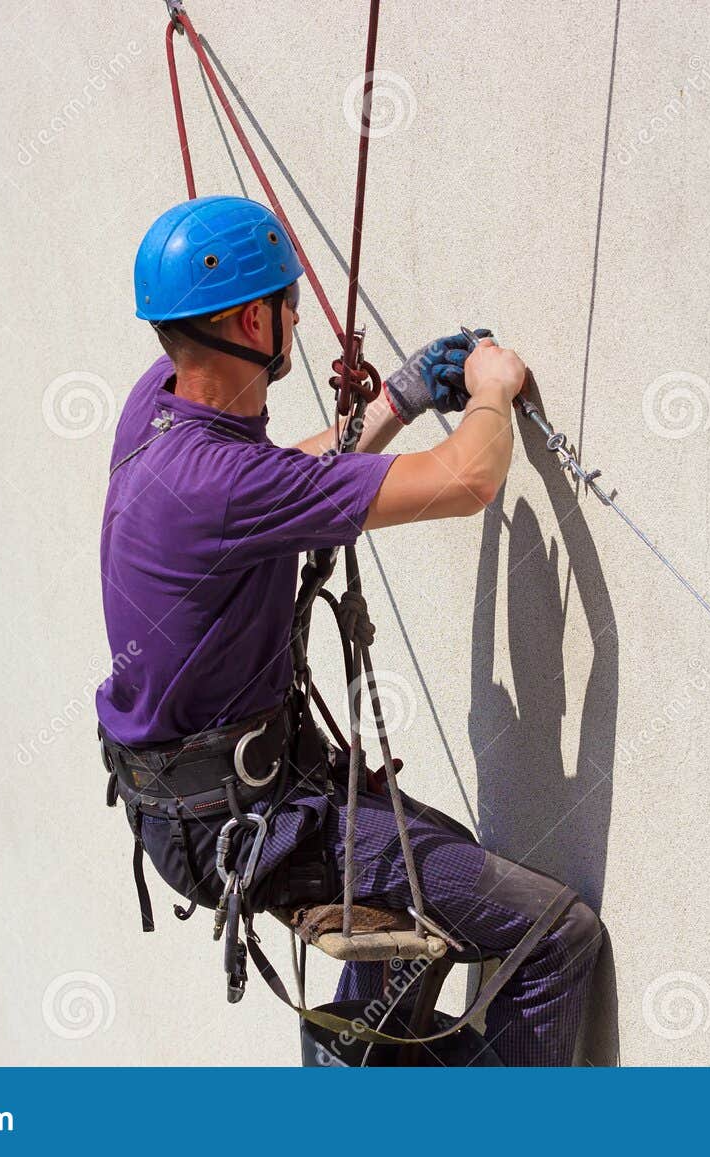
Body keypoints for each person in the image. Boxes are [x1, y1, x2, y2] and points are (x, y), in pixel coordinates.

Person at [96, 195, 601, 1065]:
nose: (300, 315)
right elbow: (469, 479)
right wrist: (490, 390)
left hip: (200, 804)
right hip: (256, 822)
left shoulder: (161, 407)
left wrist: (401, 397)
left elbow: (282, 477)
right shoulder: (222, 482)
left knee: (431, 878)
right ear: (253, 319)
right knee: (551, 936)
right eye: (292, 301)